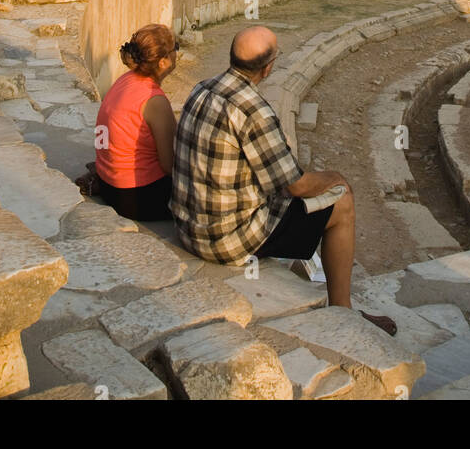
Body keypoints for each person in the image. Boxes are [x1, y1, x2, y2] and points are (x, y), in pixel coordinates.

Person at [170, 25, 397, 334]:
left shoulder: (201, 88)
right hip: (225, 242)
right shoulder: (254, 111)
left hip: (188, 229)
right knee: (342, 200)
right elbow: (296, 185)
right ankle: (343, 310)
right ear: (268, 67)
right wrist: (335, 177)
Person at [93, 24, 178, 221]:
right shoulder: (155, 101)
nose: (176, 55)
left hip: (108, 183)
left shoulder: (125, 80)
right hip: (137, 198)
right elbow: (169, 165)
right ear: (163, 62)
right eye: (176, 49)